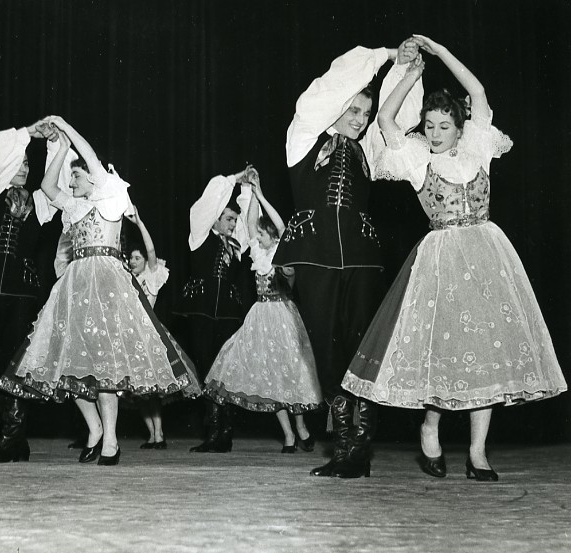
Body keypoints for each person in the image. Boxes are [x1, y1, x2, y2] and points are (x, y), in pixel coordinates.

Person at [341, 36, 567, 481]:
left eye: (444, 125)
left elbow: (477, 92)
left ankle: (478, 452)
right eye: (430, 125)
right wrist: (412, 75)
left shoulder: (478, 147)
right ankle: (431, 426)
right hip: (440, 261)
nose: (435, 133)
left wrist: (441, 52)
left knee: (487, 350)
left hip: (487, 257)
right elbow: (385, 118)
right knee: (443, 350)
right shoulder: (416, 160)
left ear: (460, 128)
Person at [0, 116, 198, 466]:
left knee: (106, 366)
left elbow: (90, 157)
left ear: (92, 176)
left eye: (76, 176)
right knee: (69, 363)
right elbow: (47, 186)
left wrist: (65, 126)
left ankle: (111, 441)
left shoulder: (111, 195)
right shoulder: (75, 206)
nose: (71, 181)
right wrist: (61, 148)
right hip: (76, 286)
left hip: (106, 283)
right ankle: (94, 429)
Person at [273, 39, 423, 477]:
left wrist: (408, 70)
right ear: (337, 106)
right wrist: (385, 55)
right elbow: (330, 86)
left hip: (362, 257)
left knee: (364, 345)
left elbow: (395, 115)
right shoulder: (304, 137)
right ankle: (343, 444)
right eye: (353, 110)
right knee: (325, 346)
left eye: (365, 112)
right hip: (313, 255)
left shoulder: (370, 148)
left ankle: (360, 447)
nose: (360, 119)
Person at [204, 169, 322, 452]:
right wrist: (253, 192)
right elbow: (250, 219)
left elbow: (281, 226)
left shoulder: (282, 252)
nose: (255, 235)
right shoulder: (258, 253)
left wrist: (262, 194)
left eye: (260, 233)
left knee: (290, 372)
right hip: (260, 316)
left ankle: (301, 428)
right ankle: (289, 435)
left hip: (283, 315)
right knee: (270, 375)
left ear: (270, 235)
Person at [0, 120, 52, 463]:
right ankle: (14, 438)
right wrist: (27, 133)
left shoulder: (38, 203)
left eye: (27, 163)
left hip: (21, 295)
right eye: (18, 162)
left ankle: (14, 438)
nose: (24, 168)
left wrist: (56, 144)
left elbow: (54, 180)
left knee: (13, 362)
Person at [178, 169, 253, 453]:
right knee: (206, 368)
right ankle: (213, 431)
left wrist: (247, 190)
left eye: (234, 219)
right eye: (229, 219)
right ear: (216, 218)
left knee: (225, 371)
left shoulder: (236, 244)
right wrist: (234, 179)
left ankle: (225, 433)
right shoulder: (200, 234)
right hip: (201, 312)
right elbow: (206, 203)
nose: (234, 224)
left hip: (229, 315)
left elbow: (249, 222)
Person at [125, 207, 171, 449]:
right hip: (133, 335)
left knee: (152, 389)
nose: (132, 261)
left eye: (137, 258)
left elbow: (151, 250)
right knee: (138, 390)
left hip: (149, 334)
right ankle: (152, 434)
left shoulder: (152, 276)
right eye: (131, 258)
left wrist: (139, 223)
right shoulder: (127, 280)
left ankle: (160, 434)